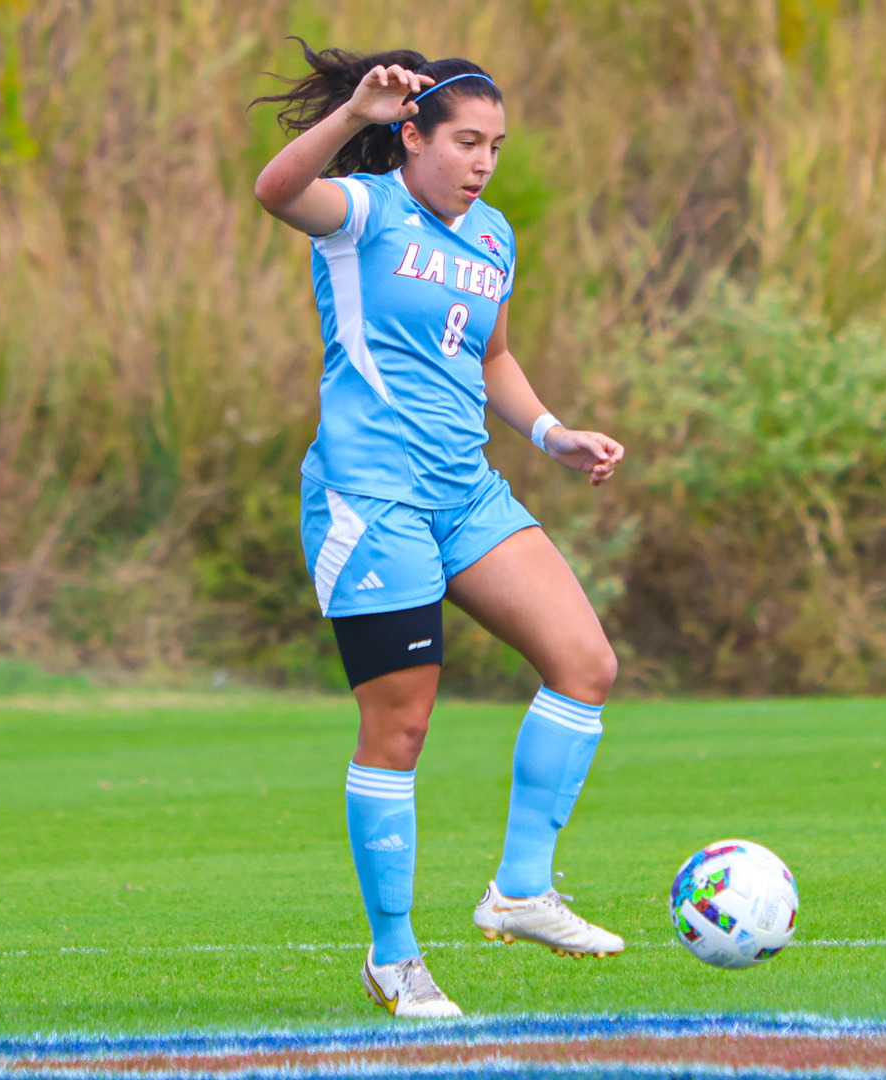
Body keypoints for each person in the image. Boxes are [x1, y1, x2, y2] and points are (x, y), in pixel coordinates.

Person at [253, 45, 626, 1018]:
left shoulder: (493, 236)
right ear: (410, 137)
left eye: (496, 146)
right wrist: (348, 122)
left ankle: (521, 890)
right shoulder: (362, 210)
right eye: (466, 141)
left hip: (468, 495)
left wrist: (551, 434)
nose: (483, 163)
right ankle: (395, 956)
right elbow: (274, 188)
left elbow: (491, 353)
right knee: (401, 728)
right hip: (373, 502)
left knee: (585, 663)